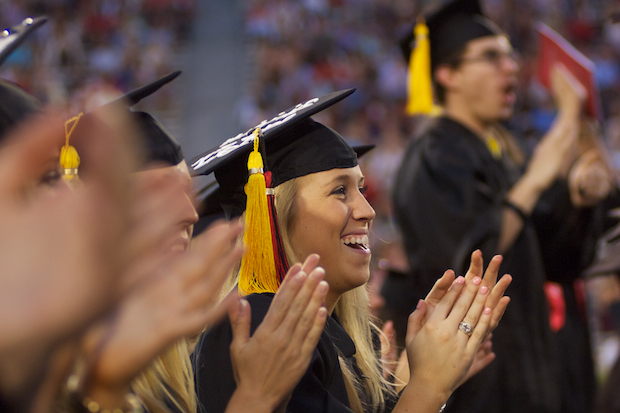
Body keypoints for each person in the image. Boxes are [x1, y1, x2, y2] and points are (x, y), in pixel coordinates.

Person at [190, 89, 512, 413]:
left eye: (362, 189)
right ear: (274, 216)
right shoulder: (256, 327)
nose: (368, 210)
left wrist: (418, 379)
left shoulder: (350, 340)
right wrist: (429, 386)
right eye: (340, 190)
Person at [56, 72, 331, 413]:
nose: (189, 214)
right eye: (157, 196)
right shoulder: (42, 374)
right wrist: (255, 398)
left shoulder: (176, 365)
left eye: (185, 194)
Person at [388, 0, 611, 412]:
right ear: (447, 74)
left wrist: (580, 199)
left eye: (510, 55)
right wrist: (540, 174)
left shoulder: (503, 153)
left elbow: (557, 261)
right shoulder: (433, 154)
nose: (510, 67)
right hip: (484, 386)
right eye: (491, 57)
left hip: (536, 376)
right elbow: (464, 265)